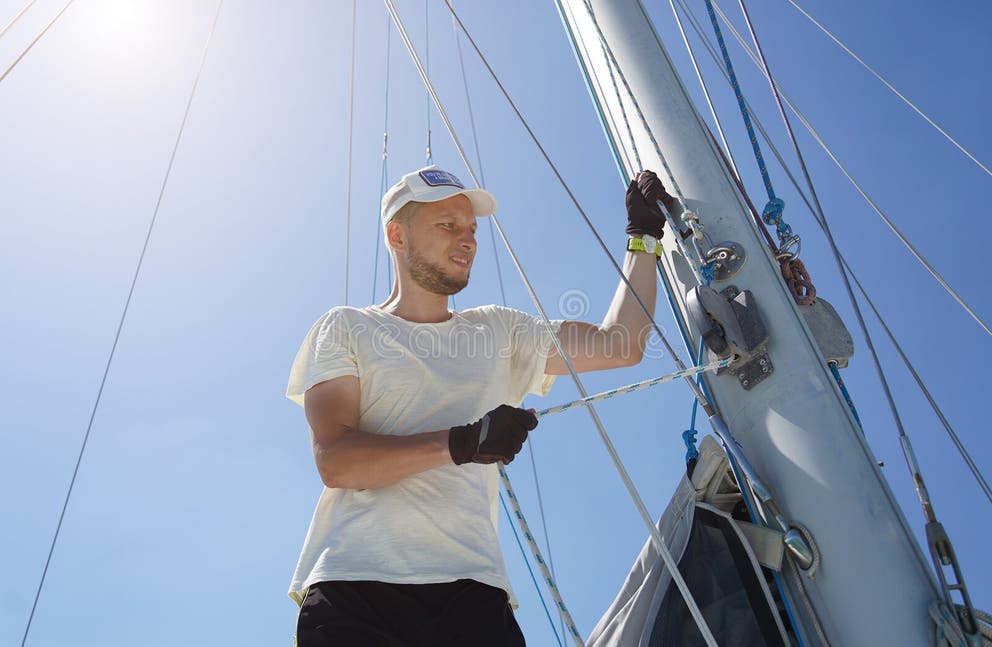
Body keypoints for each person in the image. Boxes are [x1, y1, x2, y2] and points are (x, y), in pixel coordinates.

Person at [286, 165, 671, 646]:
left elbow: (622, 345)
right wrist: (460, 443)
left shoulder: (499, 331)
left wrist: (644, 238)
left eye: (471, 229)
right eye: (448, 225)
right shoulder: (345, 327)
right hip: (356, 589)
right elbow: (336, 460)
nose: (467, 240)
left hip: (473, 594)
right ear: (396, 235)